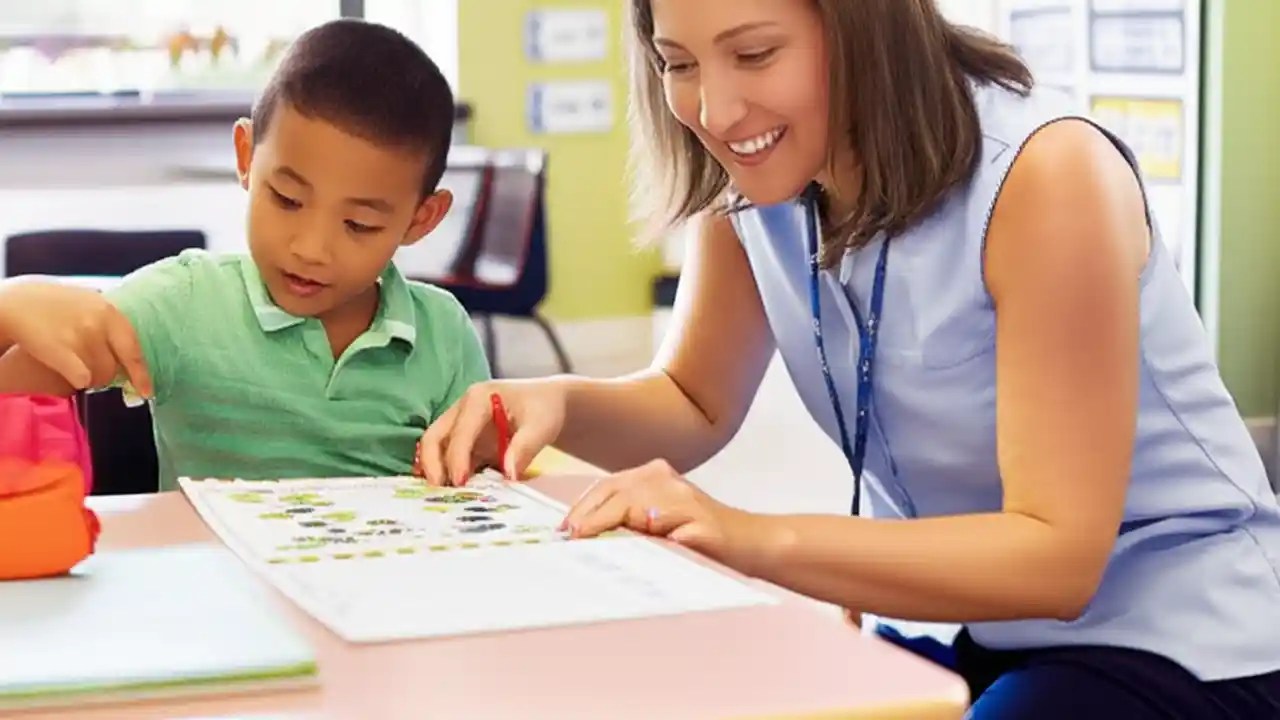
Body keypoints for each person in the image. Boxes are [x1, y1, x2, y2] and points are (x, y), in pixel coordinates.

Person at [417, 0, 1280, 716]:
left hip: (1176, 634)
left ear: (862, 24)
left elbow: (1057, 560)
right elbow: (694, 400)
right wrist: (557, 403)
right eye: (678, 63)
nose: (715, 112)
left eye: (754, 54)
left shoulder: (1047, 174)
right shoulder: (755, 176)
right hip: (963, 622)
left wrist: (752, 537)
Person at [0, 19, 489, 490]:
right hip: (213, 572)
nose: (311, 249)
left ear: (421, 218)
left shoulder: (443, 332)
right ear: (246, 157)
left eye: (359, 224)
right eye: (288, 200)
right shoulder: (184, 301)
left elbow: (483, 485)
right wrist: (11, 306)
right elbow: (17, 393)